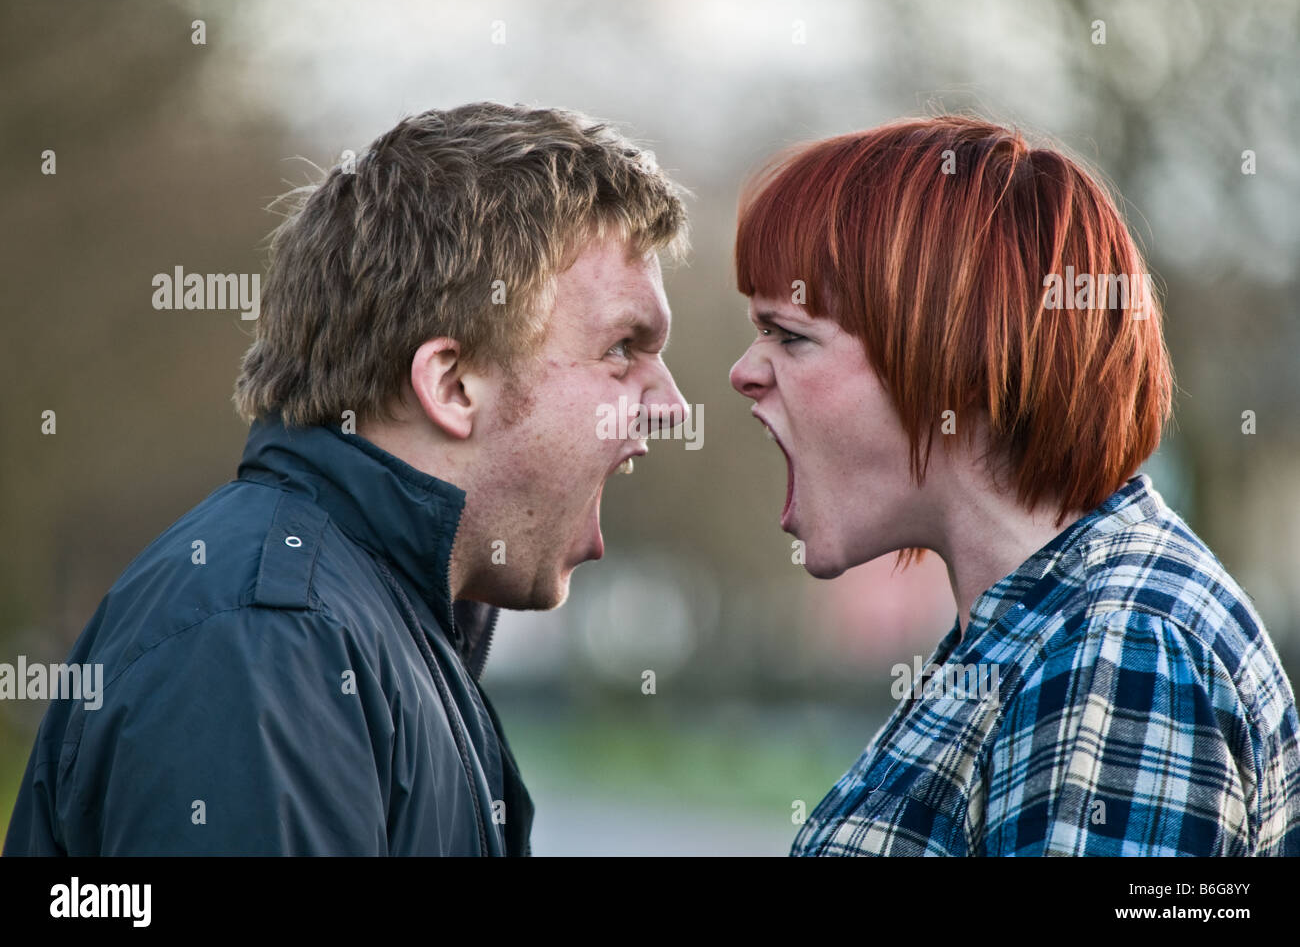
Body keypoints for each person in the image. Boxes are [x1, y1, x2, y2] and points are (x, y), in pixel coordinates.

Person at [4, 102, 690, 856]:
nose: (671, 405)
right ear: (455, 384)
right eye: (624, 348)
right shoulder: (266, 644)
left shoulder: (357, 626)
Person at [728, 115, 1300, 856]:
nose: (744, 370)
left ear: (954, 362)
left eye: (791, 335)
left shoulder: (1120, 648)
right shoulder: (1038, 628)